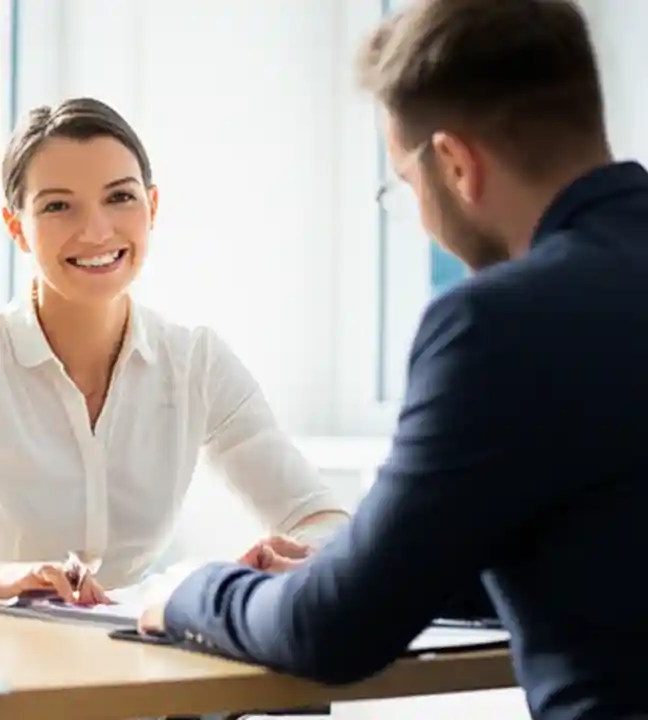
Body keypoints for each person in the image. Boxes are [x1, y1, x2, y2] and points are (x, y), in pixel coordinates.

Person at [139, 2, 648, 718]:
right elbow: (604, 543)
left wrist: (191, 591)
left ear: (455, 163)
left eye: (403, 187)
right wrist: (365, 565)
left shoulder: (498, 324)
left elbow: (332, 632)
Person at [0, 97, 349, 606]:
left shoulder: (195, 363)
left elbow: (320, 518)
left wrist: (297, 558)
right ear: (17, 227)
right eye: (59, 206)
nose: (97, 230)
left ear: (151, 207)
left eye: (120, 197)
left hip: (128, 684)